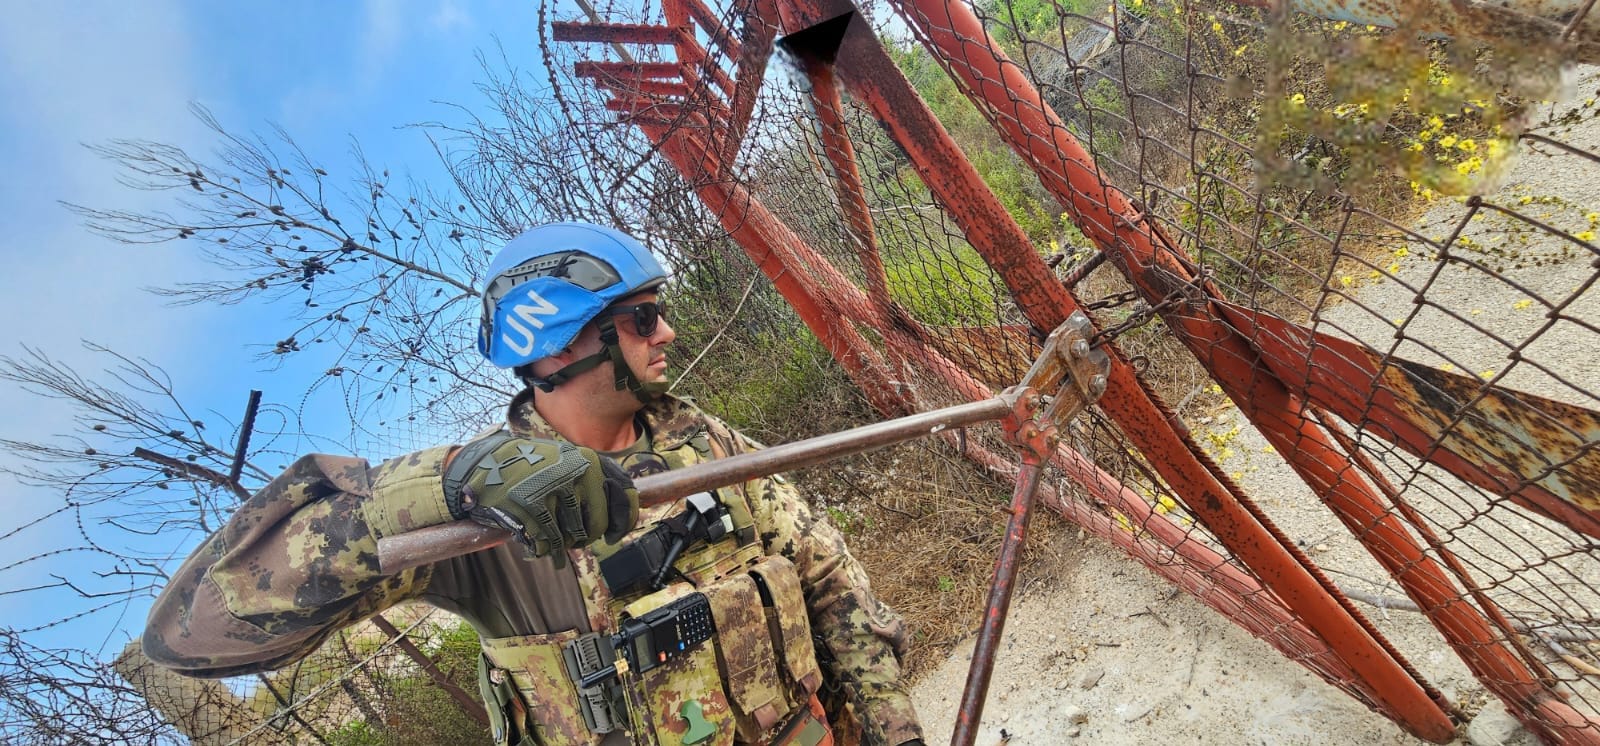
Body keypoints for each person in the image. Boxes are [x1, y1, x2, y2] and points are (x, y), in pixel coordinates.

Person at [143, 221, 926, 746]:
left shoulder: (707, 444)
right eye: (642, 318)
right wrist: (444, 485)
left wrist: (894, 733)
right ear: (557, 346)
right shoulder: (478, 517)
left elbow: (832, 591)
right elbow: (190, 634)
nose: (668, 331)